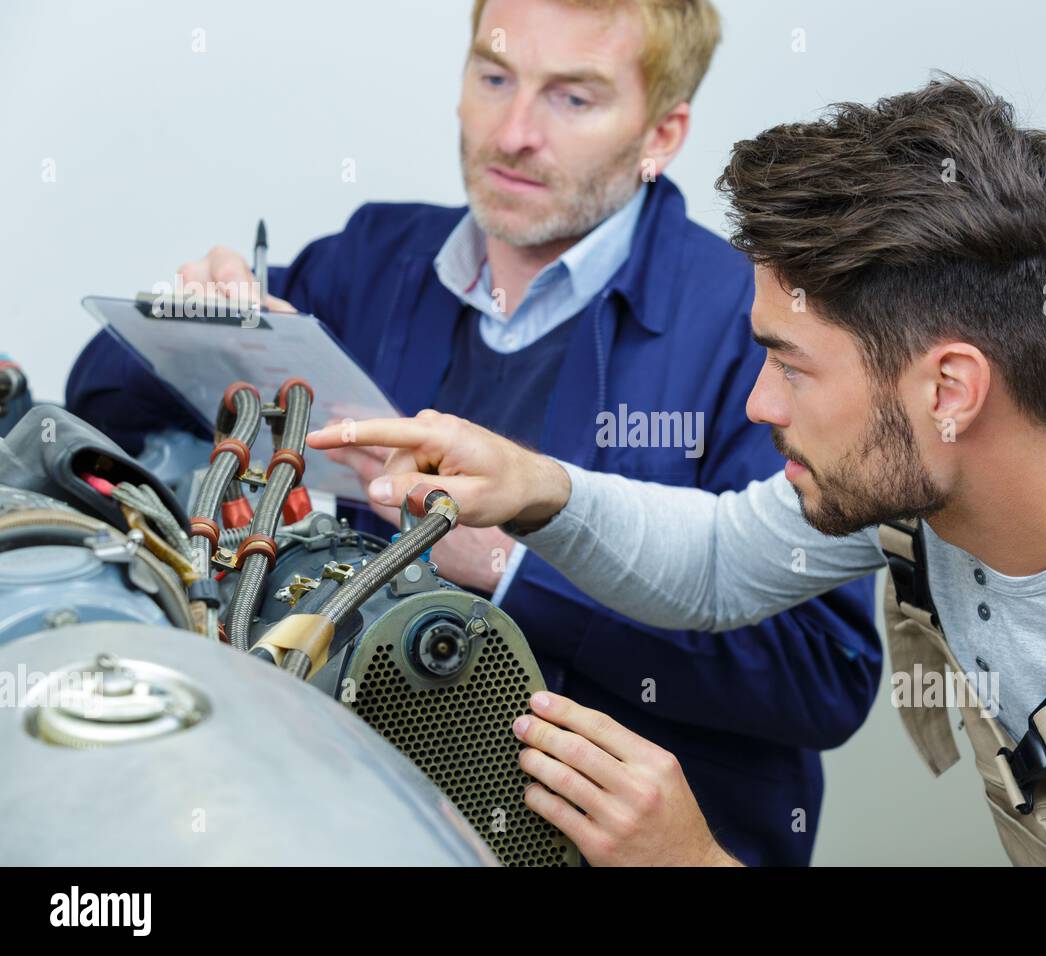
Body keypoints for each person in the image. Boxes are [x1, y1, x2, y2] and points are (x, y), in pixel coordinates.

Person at [308, 77, 1046, 866]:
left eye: (789, 364)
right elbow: (717, 563)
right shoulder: (984, 435)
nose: (757, 406)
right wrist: (537, 487)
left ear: (949, 389)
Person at [63, 0, 879, 866]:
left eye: (574, 98)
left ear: (661, 134)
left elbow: (824, 673)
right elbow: (100, 406)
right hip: (360, 822)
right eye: (495, 78)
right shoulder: (370, 260)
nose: (514, 132)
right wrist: (194, 331)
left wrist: (510, 565)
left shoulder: (751, 329)